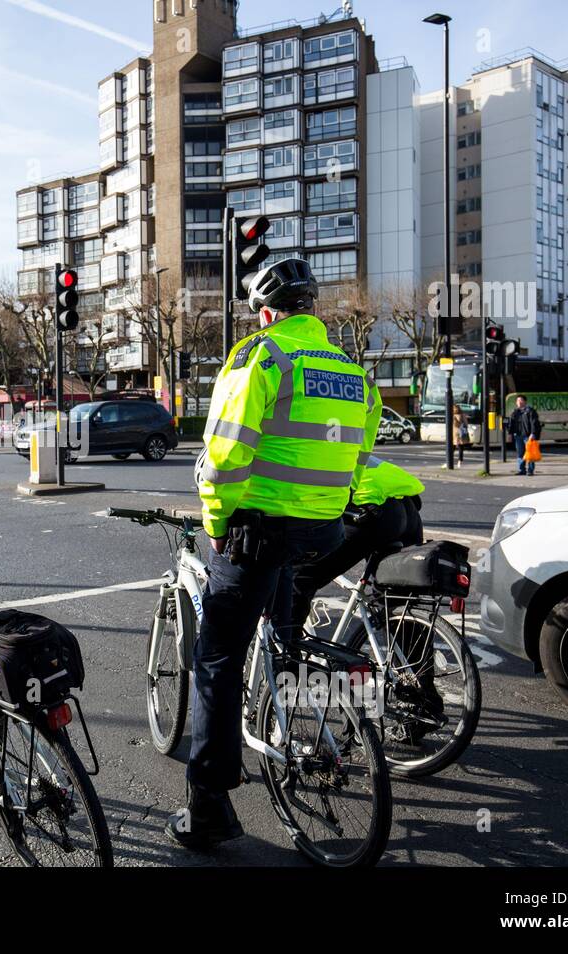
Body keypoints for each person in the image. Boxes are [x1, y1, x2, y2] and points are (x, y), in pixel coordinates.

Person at [170, 257, 381, 850]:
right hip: (322, 533)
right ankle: (295, 713)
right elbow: (358, 459)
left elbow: (225, 455)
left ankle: (207, 808)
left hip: (259, 532)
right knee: (285, 634)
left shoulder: (262, 356)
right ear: (312, 310)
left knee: (217, 662)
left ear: (265, 313)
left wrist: (215, 522)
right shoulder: (351, 370)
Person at [287, 456, 425, 640]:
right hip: (405, 505)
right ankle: (414, 667)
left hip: (366, 508)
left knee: (295, 580)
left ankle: (289, 664)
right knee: (398, 600)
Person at [508, 395, 541, 476]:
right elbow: (511, 424)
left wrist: (533, 433)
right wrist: (509, 434)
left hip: (528, 436)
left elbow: (534, 423)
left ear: (525, 402)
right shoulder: (515, 412)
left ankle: (530, 470)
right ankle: (522, 470)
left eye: (521, 400)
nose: (519, 402)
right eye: (518, 401)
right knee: (520, 453)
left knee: (529, 453)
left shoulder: (530, 411)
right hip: (518, 436)